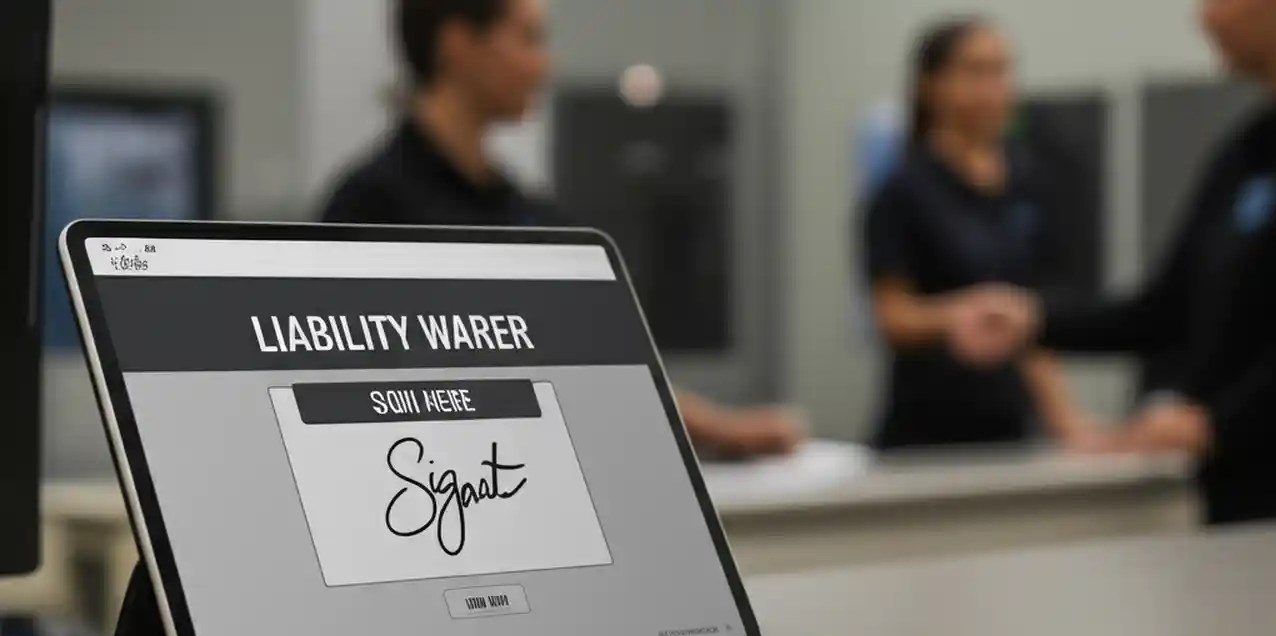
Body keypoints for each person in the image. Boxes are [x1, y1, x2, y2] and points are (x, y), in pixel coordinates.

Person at [321, 0, 804, 459]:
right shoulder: (368, 209)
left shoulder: (528, 215)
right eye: (528, 38)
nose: (544, 64)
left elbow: (606, 365)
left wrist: (724, 430)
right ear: (458, 44)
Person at [952, 0, 1276, 524]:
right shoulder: (1249, 151)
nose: (1203, 18)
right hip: (1236, 502)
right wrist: (1034, 320)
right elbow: (1166, 308)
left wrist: (1216, 424)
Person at [860, 17, 1098, 449]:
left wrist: (1068, 424)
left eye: (1002, 71)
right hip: (926, 433)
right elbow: (891, 313)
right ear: (932, 85)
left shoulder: (1031, 183)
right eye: (976, 72)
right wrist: (962, 315)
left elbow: (1032, 325)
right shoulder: (904, 191)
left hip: (1010, 429)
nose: (993, 89)